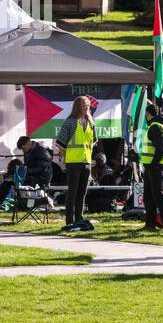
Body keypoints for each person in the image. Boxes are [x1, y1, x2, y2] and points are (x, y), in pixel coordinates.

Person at [56, 96, 96, 231]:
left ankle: (79, 218)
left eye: (88, 105)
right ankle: (69, 220)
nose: (87, 108)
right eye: (85, 105)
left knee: (82, 193)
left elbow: (93, 141)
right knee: (72, 192)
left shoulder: (91, 121)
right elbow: (60, 142)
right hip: (73, 162)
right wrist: (65, 156)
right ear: (78, 106)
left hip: (86, 162)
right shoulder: (70, 122)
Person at [141, 102, 163, 231]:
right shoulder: (159, 126)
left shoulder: (155, 127)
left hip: (155, 167)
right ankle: (150, 224)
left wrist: (154, 164)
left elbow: (160, 148)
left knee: (158, 196)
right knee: (149, 197)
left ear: (148, 114)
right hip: (152, 167)